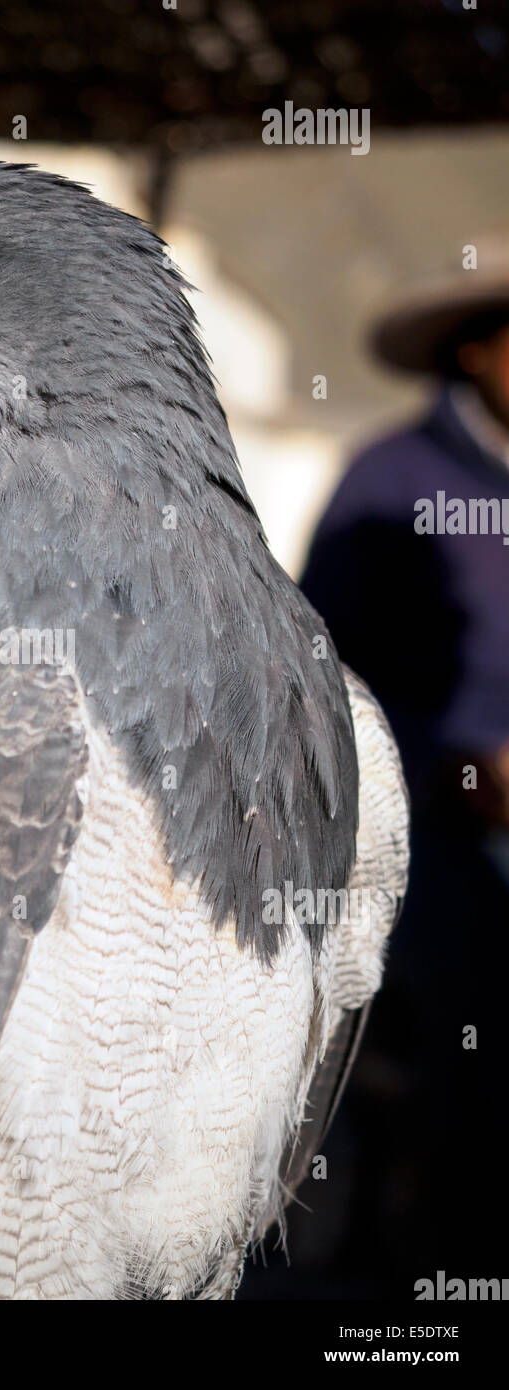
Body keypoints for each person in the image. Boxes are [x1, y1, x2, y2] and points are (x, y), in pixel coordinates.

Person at [285, 264, 509, 1295]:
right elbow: (317, 687)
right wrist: (453, 768)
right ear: (477, 349)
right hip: (431, 834)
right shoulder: (388, 485)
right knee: (454, 1071)